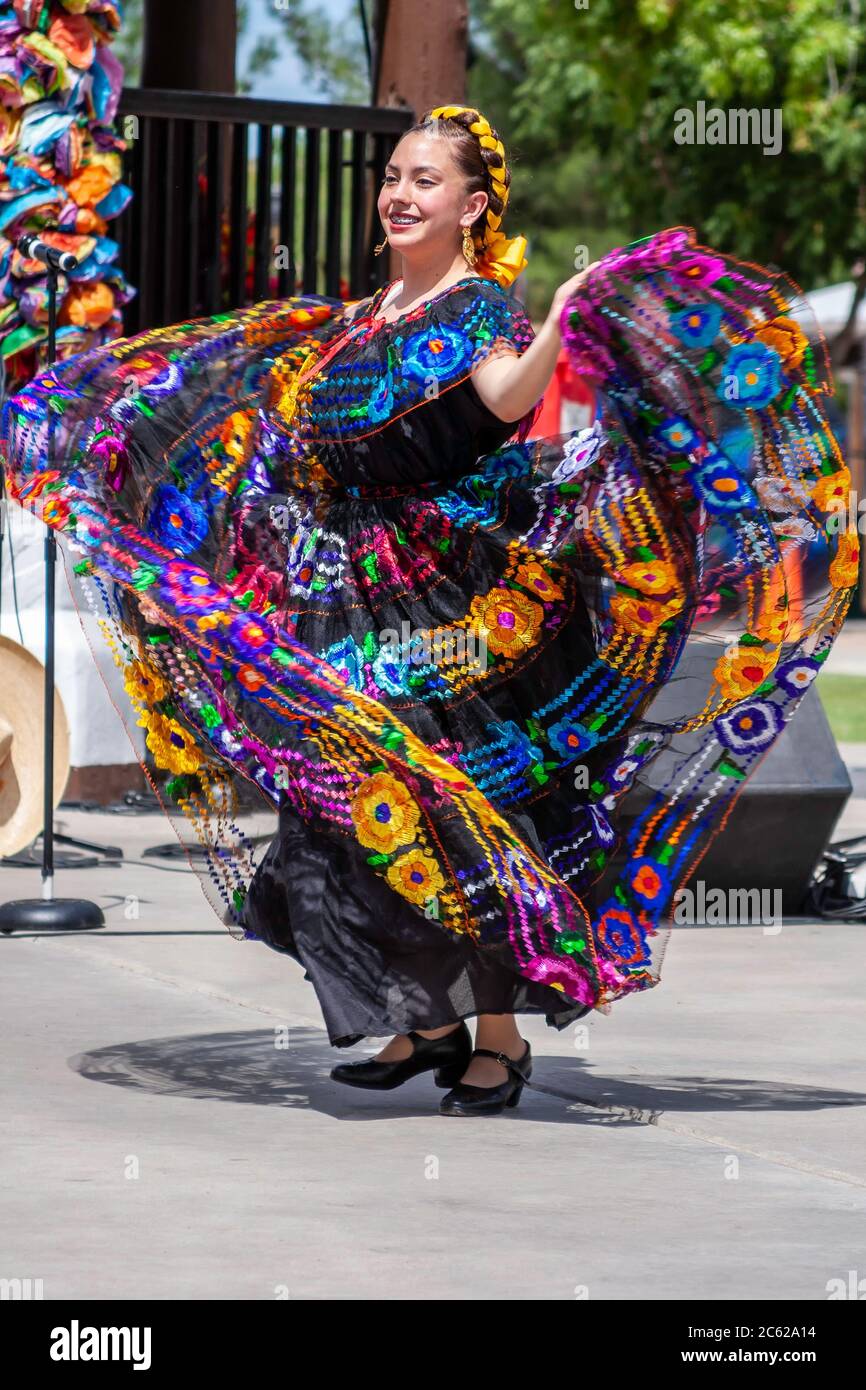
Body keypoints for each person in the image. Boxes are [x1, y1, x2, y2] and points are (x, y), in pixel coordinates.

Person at [1, 105, 857, 1118]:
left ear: (471, 205)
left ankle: (495, 1043)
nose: (401, 194)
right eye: (395, 175)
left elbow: (500, 396)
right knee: (336, 809)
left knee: (458, 813)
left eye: (426, 181)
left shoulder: (478, 310)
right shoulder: (355, 321)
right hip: (335, 597)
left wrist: (558, 318)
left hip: (449, 608)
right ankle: (424, 1025)